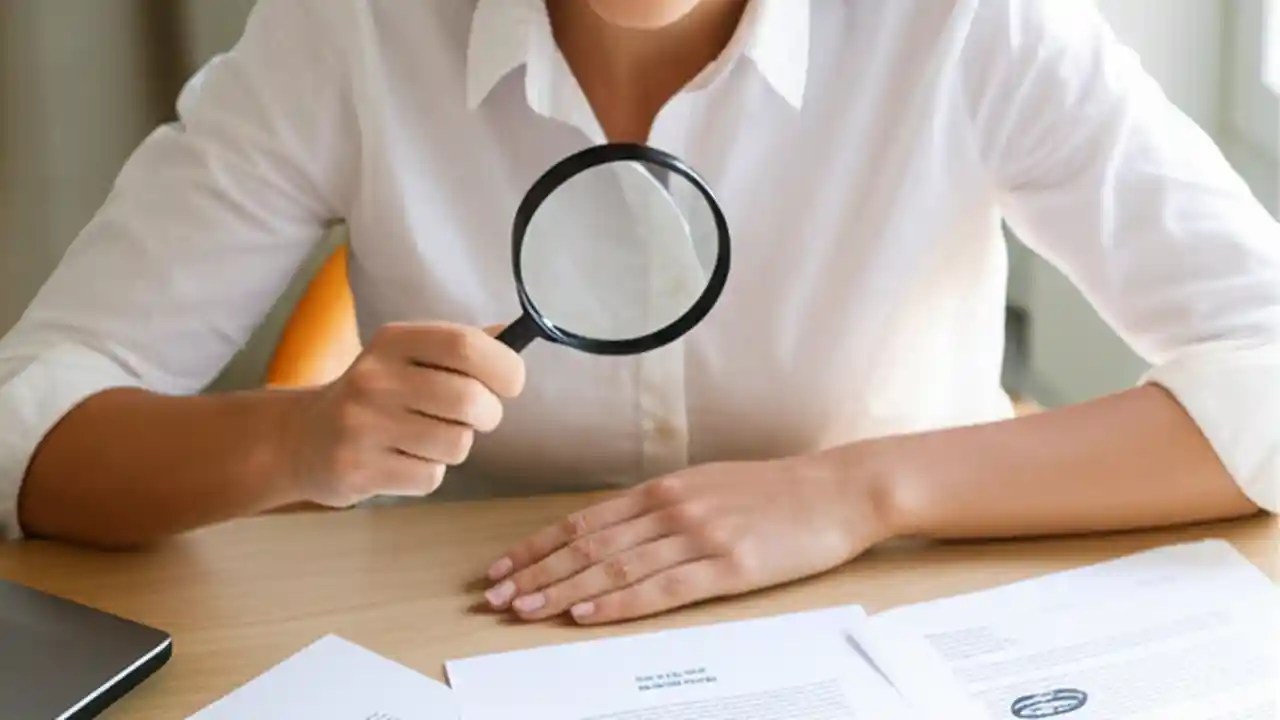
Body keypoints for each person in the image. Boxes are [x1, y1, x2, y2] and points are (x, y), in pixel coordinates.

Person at [1, 0, 1277, 627]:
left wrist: (855, 493)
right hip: (476, 643)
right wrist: (292, 442)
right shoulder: (350, 26)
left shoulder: (967, 22)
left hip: (897, 642)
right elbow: (29, 426)